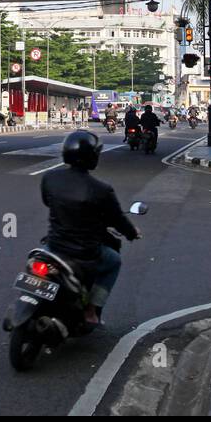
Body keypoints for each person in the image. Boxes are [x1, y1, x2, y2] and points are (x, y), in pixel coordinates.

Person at [41, 131, 141, 325]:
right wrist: (132, 232)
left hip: (53, 246)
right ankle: (91, 310)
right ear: (92, 157)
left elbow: (47, 202)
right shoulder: (101, 189)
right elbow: (118, 219)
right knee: (114, 262)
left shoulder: (50, 178)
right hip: (84, 252)